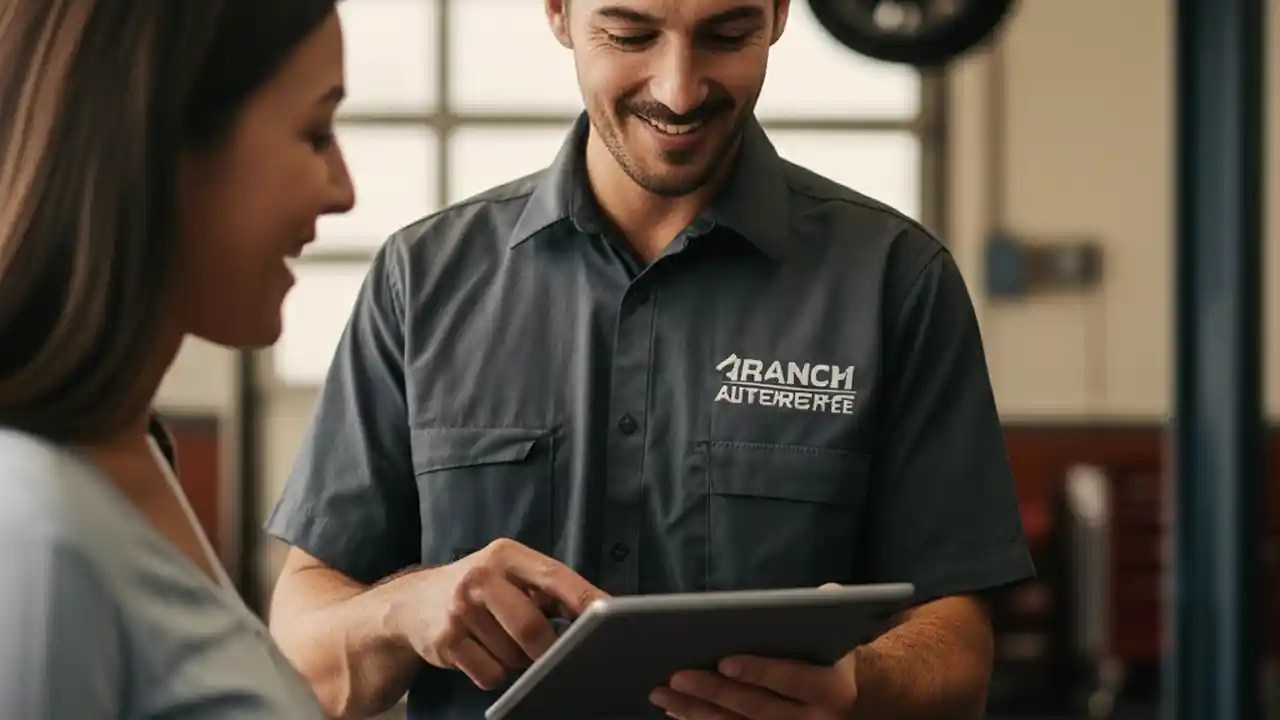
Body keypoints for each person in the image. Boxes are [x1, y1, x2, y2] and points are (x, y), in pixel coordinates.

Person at [265, 0, 1036, 718]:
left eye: (726, 35)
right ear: (559, 12)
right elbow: (302, 658)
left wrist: (862, 683)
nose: (678, 91)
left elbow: (959, 646)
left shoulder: (896, 283)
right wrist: (405, 610)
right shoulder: (422, 281)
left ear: (777, 13)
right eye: (629, 36)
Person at [0, 1, 355, 717]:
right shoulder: (35, 528)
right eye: (315, 133)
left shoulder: (135, 456)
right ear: (156, 144)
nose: (343, 190)